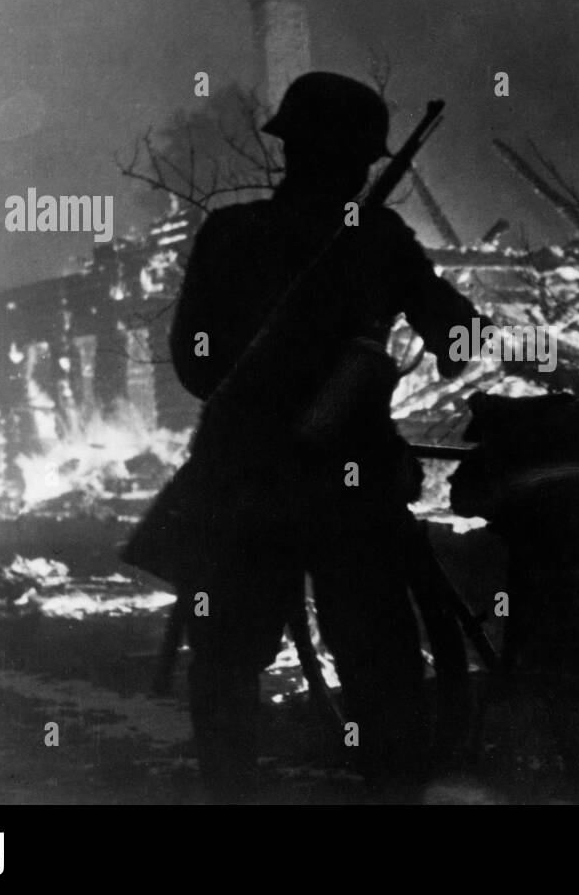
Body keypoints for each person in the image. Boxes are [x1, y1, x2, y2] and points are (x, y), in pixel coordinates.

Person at [167, 71, 479, 800]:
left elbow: (193, 362)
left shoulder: (230, 233)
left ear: (288, 150)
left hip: (244, 482)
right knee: (383, 671)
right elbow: (455, 333)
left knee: (225, 663)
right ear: (362, 161)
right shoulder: (380, 239)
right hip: (352, 488)